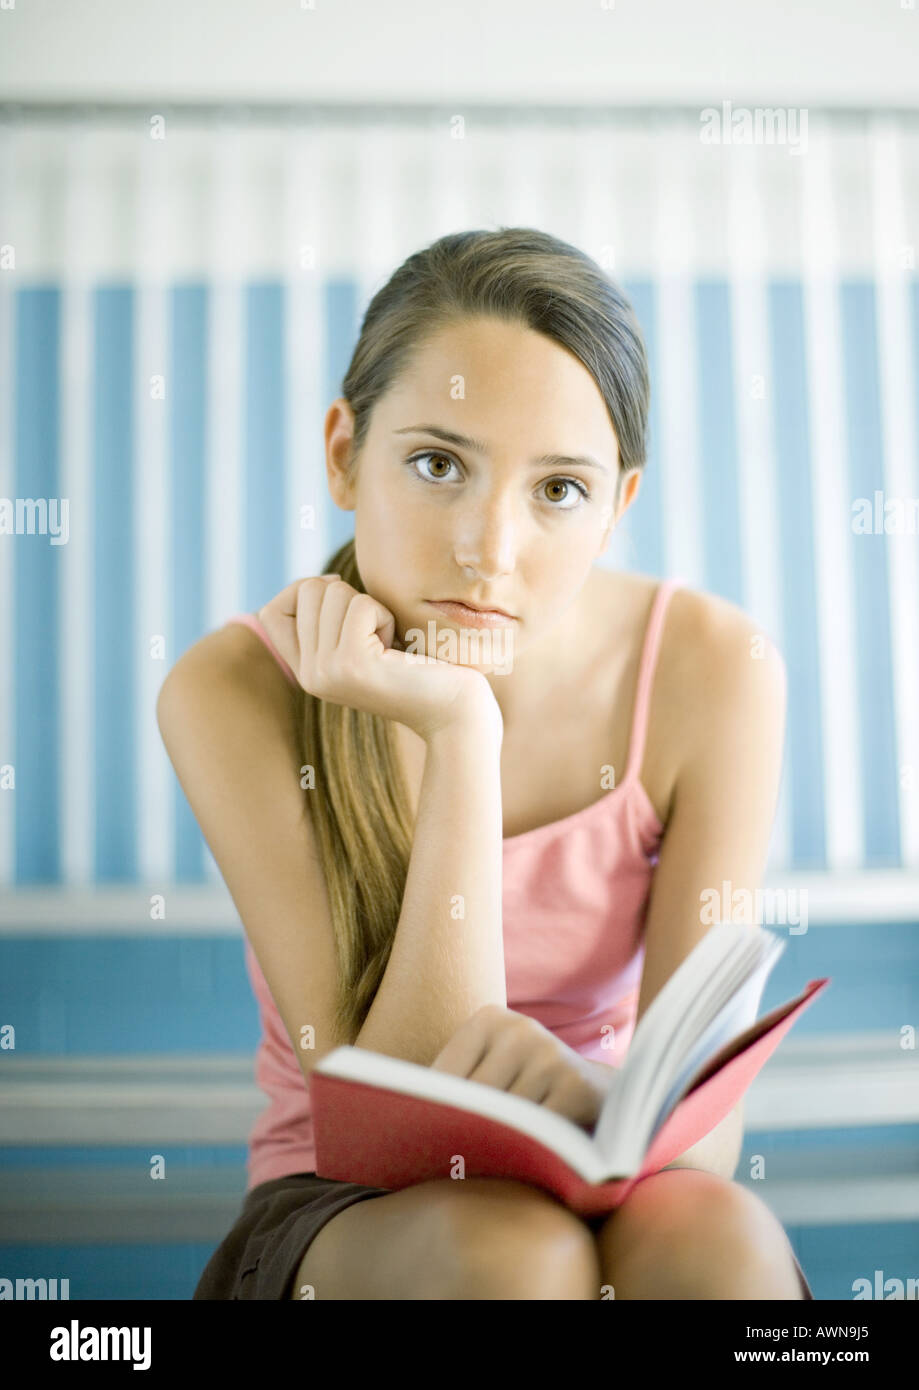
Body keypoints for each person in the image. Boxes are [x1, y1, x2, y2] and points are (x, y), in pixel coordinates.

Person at [157, 226, 814, 1300]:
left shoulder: (714, 668)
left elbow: (705, 1134)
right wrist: (462, 733)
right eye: (436, 463)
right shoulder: (233, 690)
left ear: (616, 509)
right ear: (342, 453)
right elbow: (387, 1136)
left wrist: (591, 1099)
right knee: (508, 1260)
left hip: (620, 1164)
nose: (488, 551)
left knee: (722, 1250)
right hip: (346, 1207)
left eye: (557, 490)